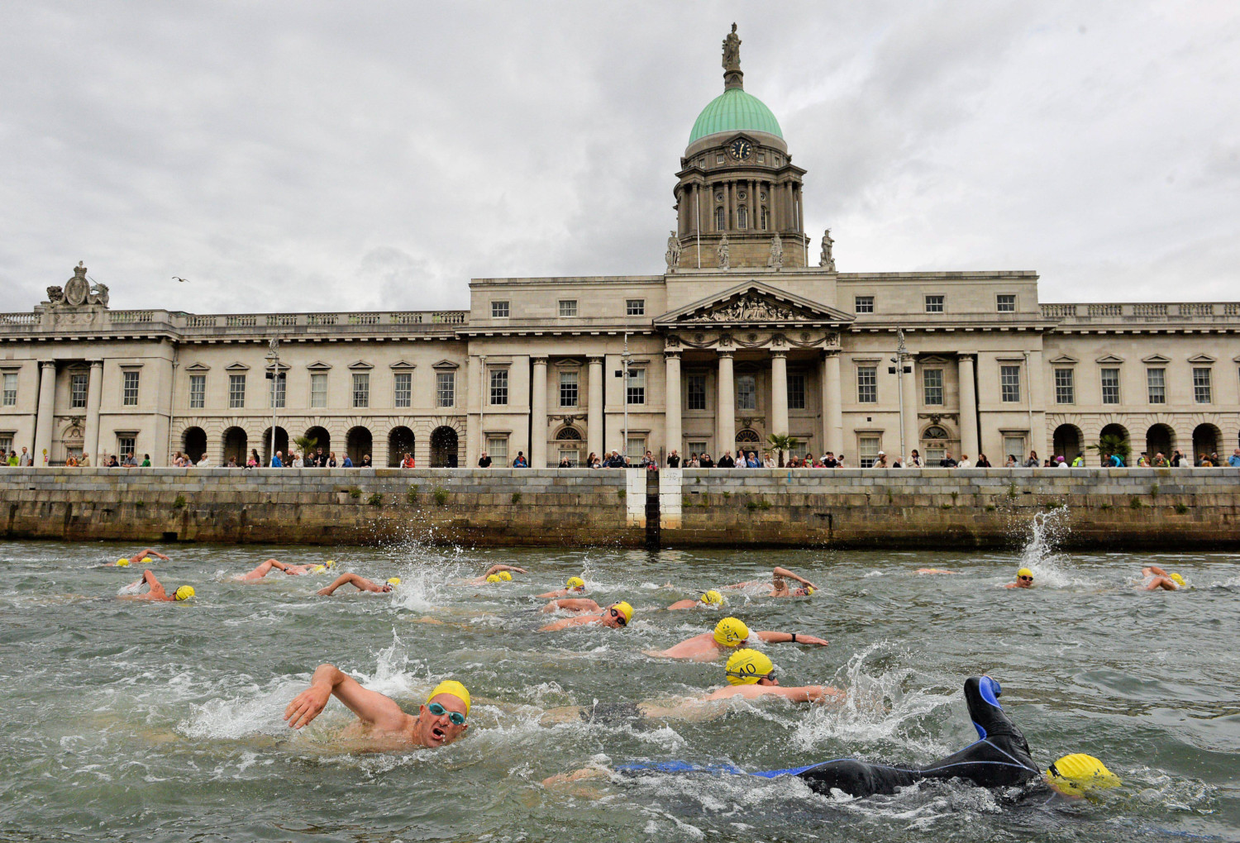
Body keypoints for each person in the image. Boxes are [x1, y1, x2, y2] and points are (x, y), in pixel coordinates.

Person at [541, 649, 842, 731]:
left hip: (645, 712)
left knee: (541, 716)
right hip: (643, 721)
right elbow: (814, 692)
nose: (777, 682)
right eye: (772, 675)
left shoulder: (724, 690)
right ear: (756, 677)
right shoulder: (753, 692)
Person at [284, 671, 470, 751]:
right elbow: (332, 672)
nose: (444, 721)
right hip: (303, 747)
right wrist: (321, 687)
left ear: (461, 729)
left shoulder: (455, 747)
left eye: (455, 718)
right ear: (422, 712)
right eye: (437, 710)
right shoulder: (390, 719)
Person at [645, 616, 828, 661]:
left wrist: (796, 637)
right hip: (657, 658)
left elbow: (760, 636)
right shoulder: (710, 653)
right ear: (732, 642)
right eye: (743, 641)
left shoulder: (719, 636)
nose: (747, 642)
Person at [722, 566, 818, 597]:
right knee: (757, 584)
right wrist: (801, 579)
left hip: (752, 594)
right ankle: (727, 588)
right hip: (744, 593)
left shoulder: (786, 596)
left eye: (805, 592)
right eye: (802, 588)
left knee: (759, 585)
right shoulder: (784, 591)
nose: (801, 590)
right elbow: (777, 570)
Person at [539, 601, 633, 631]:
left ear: (622, 626)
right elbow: (556, 603)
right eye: (614, 613)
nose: (614, 619)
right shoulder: (588, 619)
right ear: (609, 609)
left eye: (620, 621)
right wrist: (540, 613)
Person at [121, 569, 194, 602]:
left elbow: (147, 572)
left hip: (120, 600)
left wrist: (138, 585)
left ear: (174, 592)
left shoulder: (158, 591)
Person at [236, 558, 332, 580]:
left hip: (290, 571)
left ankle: (322, 566)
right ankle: (322, 566)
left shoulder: (257, 573)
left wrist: (286, 570)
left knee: (299, 568)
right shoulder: (257, 575)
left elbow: (271, 561)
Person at [317, 573, 399, 596]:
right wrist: (330, 589)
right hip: (333, 596)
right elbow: (348, 576)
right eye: (387, 584)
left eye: (391, 587)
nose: (387, 588)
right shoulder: (371, 587)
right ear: (384, 583)